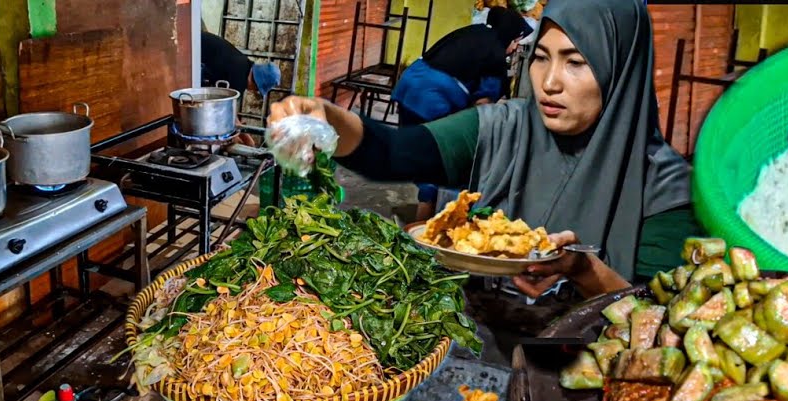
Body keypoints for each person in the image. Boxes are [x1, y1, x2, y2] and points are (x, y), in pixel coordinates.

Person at [269, 0, 703, 299]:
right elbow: (393, 152)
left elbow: (656, 321)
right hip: (476, 354)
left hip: (584, 381)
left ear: (621, 71)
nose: (549, 82)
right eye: (541, 57)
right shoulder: (505, 128)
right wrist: (326, 115)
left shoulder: (667, 191)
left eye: (575, 62)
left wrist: (582, 271)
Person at [392, 8, 533, 221]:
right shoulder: (495, 53)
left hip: (409, 86)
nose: (514, 48)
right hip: (433, 98)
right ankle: (422, 227)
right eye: (515, 42)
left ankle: (424, 216)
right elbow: (482, 107)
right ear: (510, 36)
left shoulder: (474, 32)